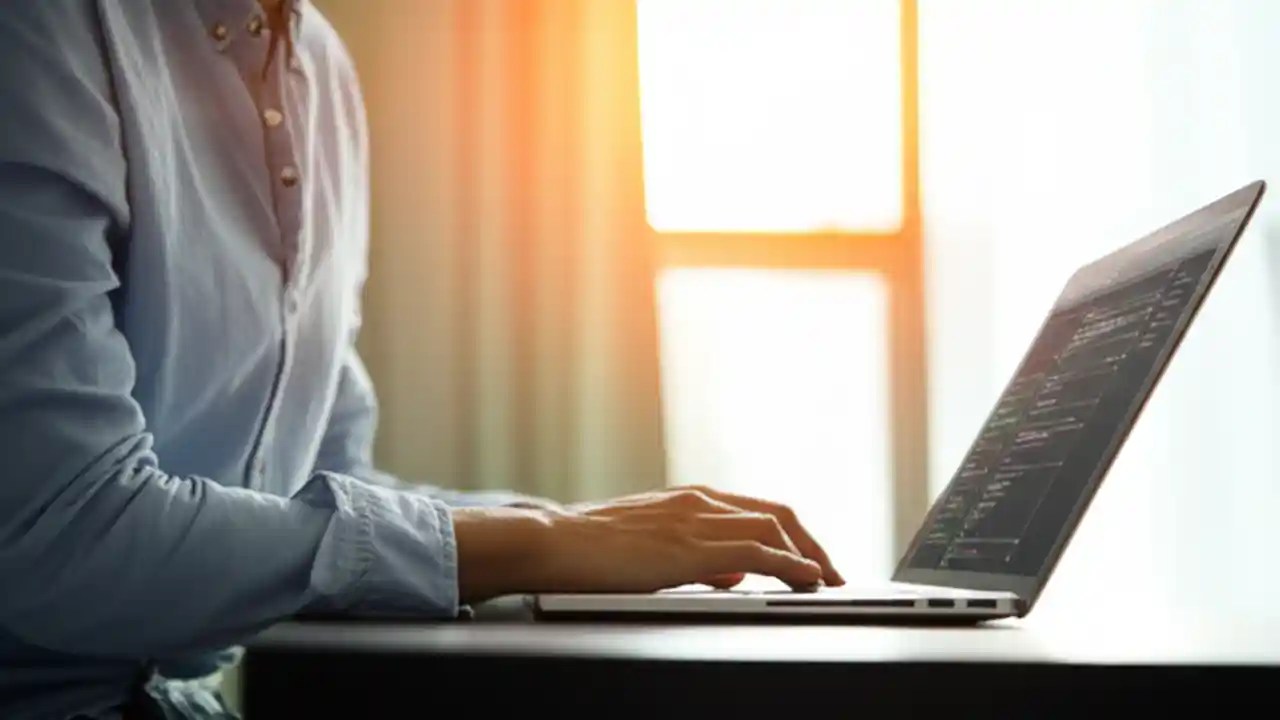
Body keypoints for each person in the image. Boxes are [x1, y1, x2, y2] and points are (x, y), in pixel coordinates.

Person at [0, 2, 844, 718]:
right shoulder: (40, 34)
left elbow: (320, 486)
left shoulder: (319, 67)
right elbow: (65, 536)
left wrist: (589, 533)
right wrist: (541, 541)